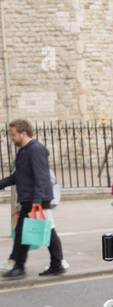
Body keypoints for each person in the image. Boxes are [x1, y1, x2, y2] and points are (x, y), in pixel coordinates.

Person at [2, 119, 65, 278]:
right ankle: (55, 265)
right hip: (30, 199)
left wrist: (37, 202)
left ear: (23, 133)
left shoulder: (36, 149)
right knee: (44, 231)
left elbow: (41, 177)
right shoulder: (24, 150)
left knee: (30, 231)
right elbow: (17, 176)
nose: (12, 138)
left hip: (36, 200)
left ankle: (20, 266)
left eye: (13, 134)